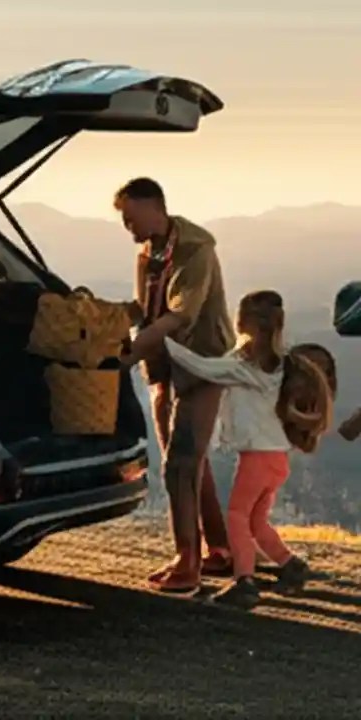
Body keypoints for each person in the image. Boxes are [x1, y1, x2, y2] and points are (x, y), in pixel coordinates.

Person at [164, 291, 333, 609]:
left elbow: (201, 367)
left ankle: (244, 582)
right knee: (256, 521)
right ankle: (291, 566)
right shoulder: (282, 364)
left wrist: (161, 340)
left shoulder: (243, 366)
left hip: (257, 459)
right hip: (277, 458)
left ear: (241, 321)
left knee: (237, 516)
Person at [117, 177, 234, 593]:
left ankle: (188, 564)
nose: (128, 227)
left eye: (131, 218)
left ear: (155, 208)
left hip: (201, 363)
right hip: (163, 365)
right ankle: (221, 549)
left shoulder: (195, 250)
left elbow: (180, 314)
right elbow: (144, 309)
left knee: (181, 462)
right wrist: (102, 318)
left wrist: (127, 355)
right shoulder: (147, 252)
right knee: (186, 460)